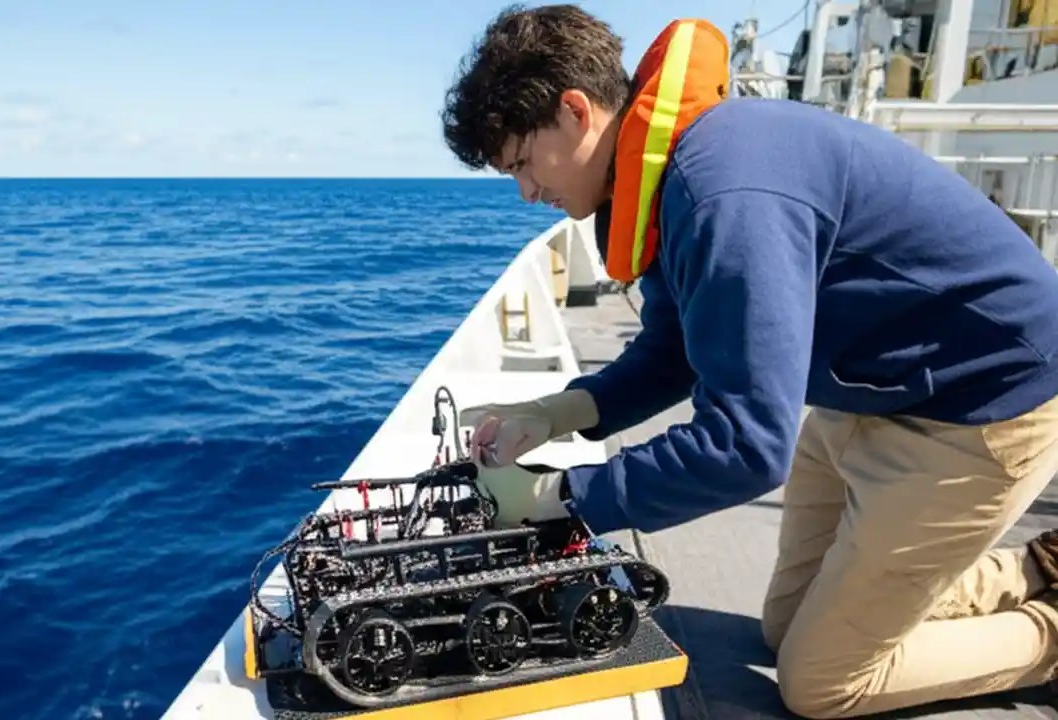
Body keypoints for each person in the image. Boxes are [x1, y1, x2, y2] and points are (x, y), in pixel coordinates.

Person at [441, 4, 1058, 718]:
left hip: (984, 403)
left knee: (821, 682)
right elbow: (671, 354)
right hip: (880, 388)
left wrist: (559, 502)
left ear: (576, 112)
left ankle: (1048, 635)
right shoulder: (668, 169)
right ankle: (1034, 569)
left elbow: (747, 446)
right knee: (785, 624)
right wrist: (550, 415)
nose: (526, 193)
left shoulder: (719, 193)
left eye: (521, 163)